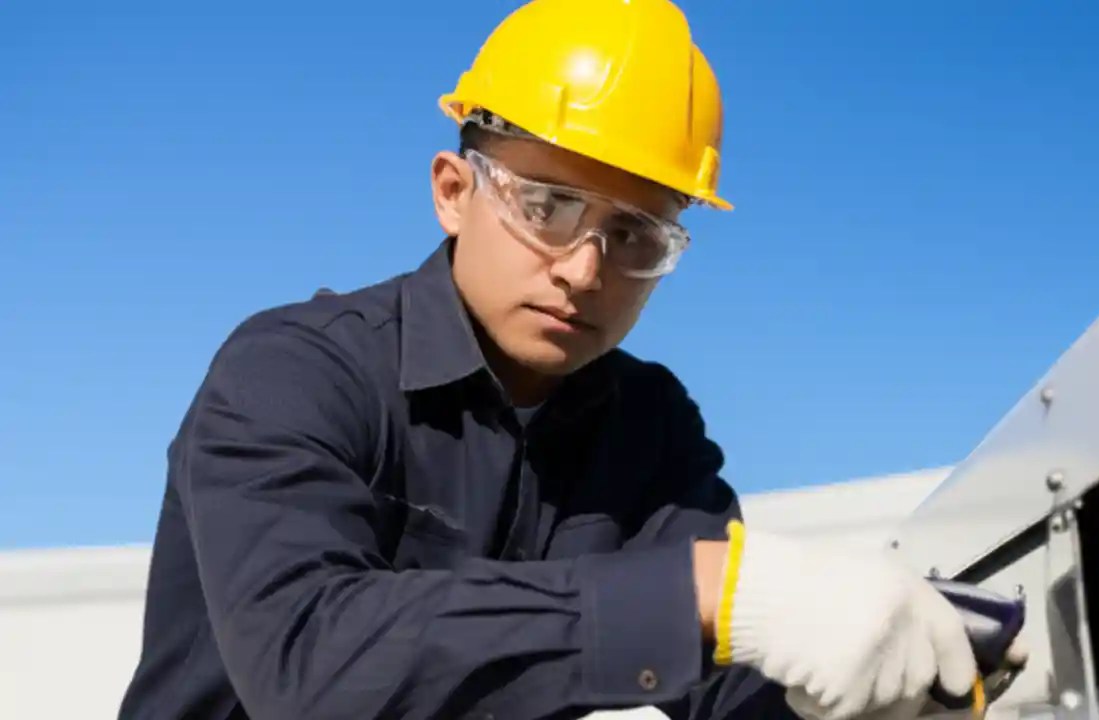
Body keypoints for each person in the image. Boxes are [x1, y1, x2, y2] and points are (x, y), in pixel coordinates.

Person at [119, 1, 1024, 718]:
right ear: (452, 192)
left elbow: (729, 679)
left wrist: (877, 685)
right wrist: (704, 592)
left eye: (634, 235)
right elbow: (305, 660)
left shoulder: (649, 427)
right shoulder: (293, 371)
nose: (585, 270)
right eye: (547, 206)